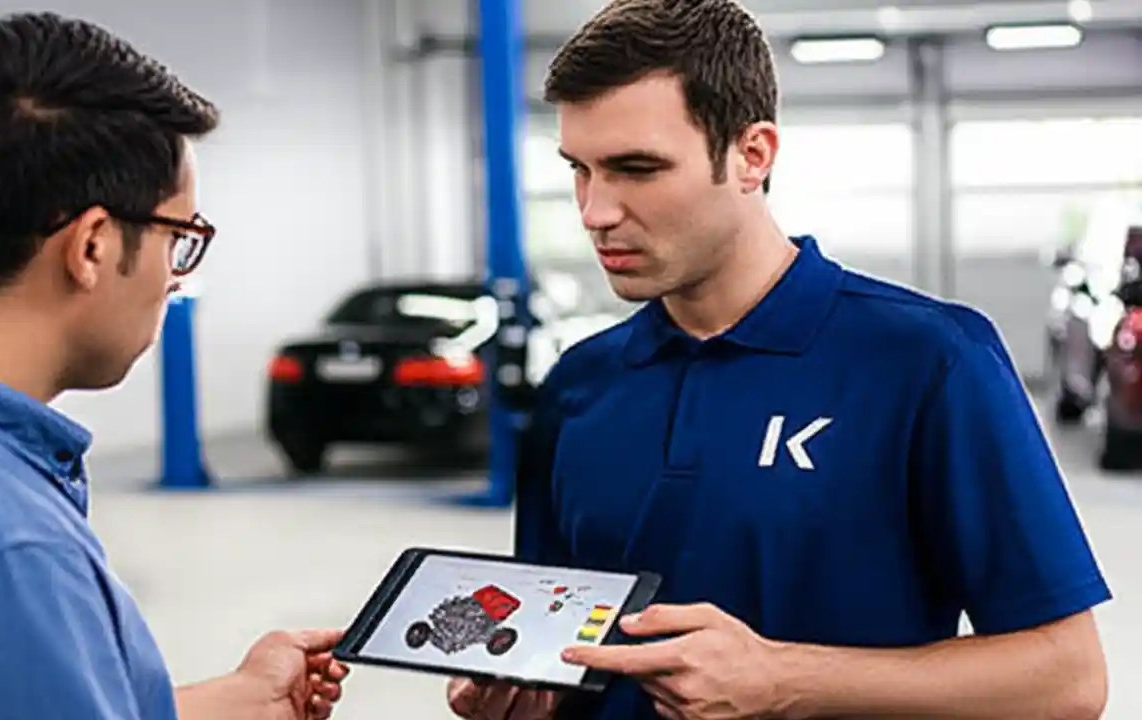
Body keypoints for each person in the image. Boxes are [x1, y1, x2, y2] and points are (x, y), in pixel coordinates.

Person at [449, 1, 1112, 719]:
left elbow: (1065, 682)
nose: (594, 211)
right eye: (580, 169)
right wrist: (524, 695)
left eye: (636, 169)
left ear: (752, 154)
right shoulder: (580, 385)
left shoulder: (930, 362)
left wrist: (784, 678)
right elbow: (558, 651)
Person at [0, 12, 347, 720]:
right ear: (91, 246)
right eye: (178, 238)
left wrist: (234, 701)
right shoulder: (3, 558)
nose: (175, 278)